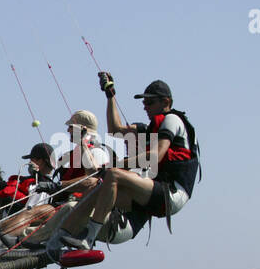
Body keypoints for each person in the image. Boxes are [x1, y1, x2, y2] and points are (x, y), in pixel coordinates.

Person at [47, 76, 199, 254]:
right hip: (158, 191)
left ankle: (88, 239)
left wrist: (115, 165)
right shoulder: (151, 128)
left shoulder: (172, 119)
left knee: (113, 175)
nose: (145, 106)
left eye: (149, 102)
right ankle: (57, 240)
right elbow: (115, 130)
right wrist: (110, 95)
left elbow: (155, 156)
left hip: (173, 192)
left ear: (166, 102)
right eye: (144, 102)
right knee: (97, 189)